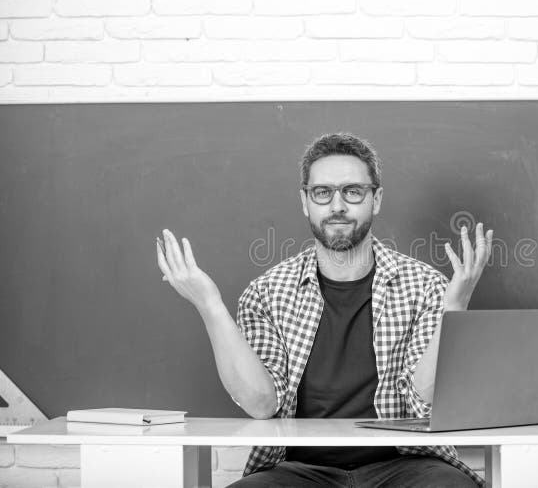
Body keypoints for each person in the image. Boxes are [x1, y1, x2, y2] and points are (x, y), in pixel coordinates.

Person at [156, 133, 493, 487]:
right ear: (305, 201)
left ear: (375, 199)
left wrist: (454, 308)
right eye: (323, 193)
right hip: (297, 470)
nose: (337, 206)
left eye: (353, 191)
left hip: (406, 465)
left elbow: (424, 404)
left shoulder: (426, 287)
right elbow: (261, 404)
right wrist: (210, 306)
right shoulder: (266, 293)